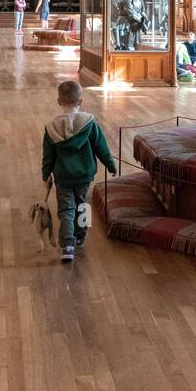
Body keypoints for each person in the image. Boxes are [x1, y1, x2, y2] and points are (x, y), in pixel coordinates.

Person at [41, 80, 117, 263]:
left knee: (66, 209)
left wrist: (45, 174)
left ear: (59, 101)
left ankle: (67, 246)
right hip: (84, 175)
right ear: (81, 101)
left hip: (63, 177)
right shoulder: (90, 123)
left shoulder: (51, 128)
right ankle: (81, 236)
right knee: (83, 204)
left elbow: (48, 156)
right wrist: (111, 165)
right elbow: (102, 148)